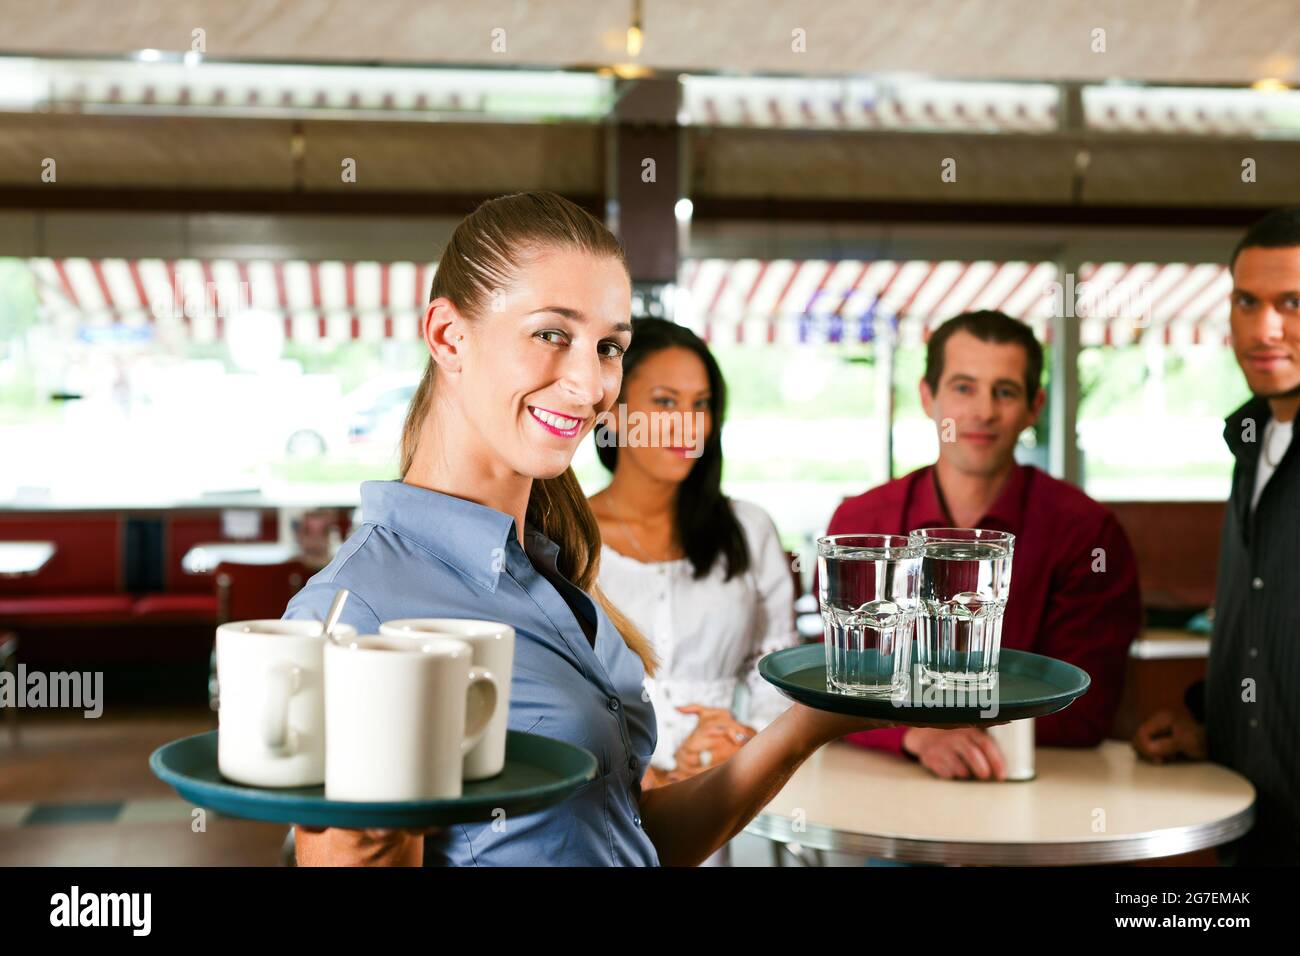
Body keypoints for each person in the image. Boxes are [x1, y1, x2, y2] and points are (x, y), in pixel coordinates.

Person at [282, 191, 961, 866]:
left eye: (608, 347)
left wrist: (804, 726)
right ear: (448, 336)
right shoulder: (351, 610)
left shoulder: (552, 573)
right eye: (551, 334)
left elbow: (627, 837)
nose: (589, 384)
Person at [824, 310, 1142, 780]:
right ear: (927, 396)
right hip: (891, 781)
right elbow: (838, 684)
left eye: (1005, 391)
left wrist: (927, 720)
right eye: (963, 387)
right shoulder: (861, 524)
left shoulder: (1088, 532)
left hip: (1036, 784)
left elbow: (1084, 709)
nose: (983, 412)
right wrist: (916, 735)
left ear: (1035, 406)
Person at [588, 318, 799, 863]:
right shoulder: (565, 537)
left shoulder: (749, 529)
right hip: (603, 796)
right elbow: (553, 682)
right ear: (612, 409)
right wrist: (638, 769)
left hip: (735, 788)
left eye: (701, 404)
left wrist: (745, 743)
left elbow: (775, 658)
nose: (687, 424)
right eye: (664, 401)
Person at [1132, 208, 1300, 865]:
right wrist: (1212, 723)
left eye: (1292, 302)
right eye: (1246, 302)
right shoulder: (1250, 441)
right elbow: (1266, 623)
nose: (1265, 329)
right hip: (1255, 829)